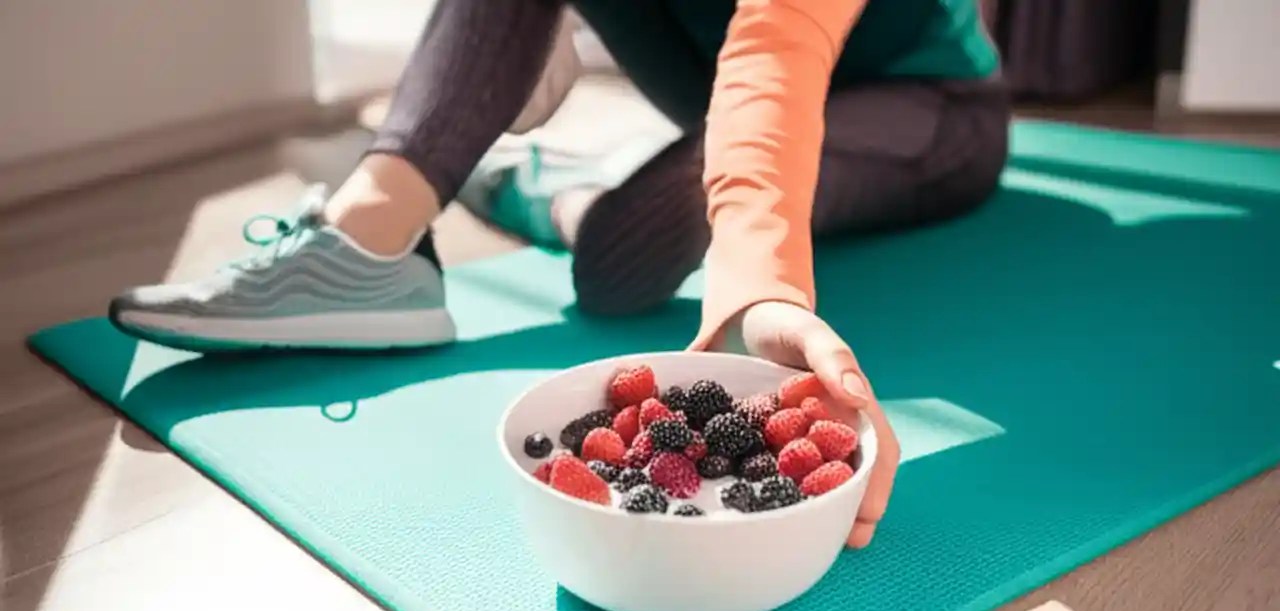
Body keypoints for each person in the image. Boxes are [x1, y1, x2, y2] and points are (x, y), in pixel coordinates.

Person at [108, 0, 1011, 547]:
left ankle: (548, 189)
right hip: (712, 69)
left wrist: (758, 287)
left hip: (923, 105)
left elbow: (777, 52)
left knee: (618, 265)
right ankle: (365, 241)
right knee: (626, 265)